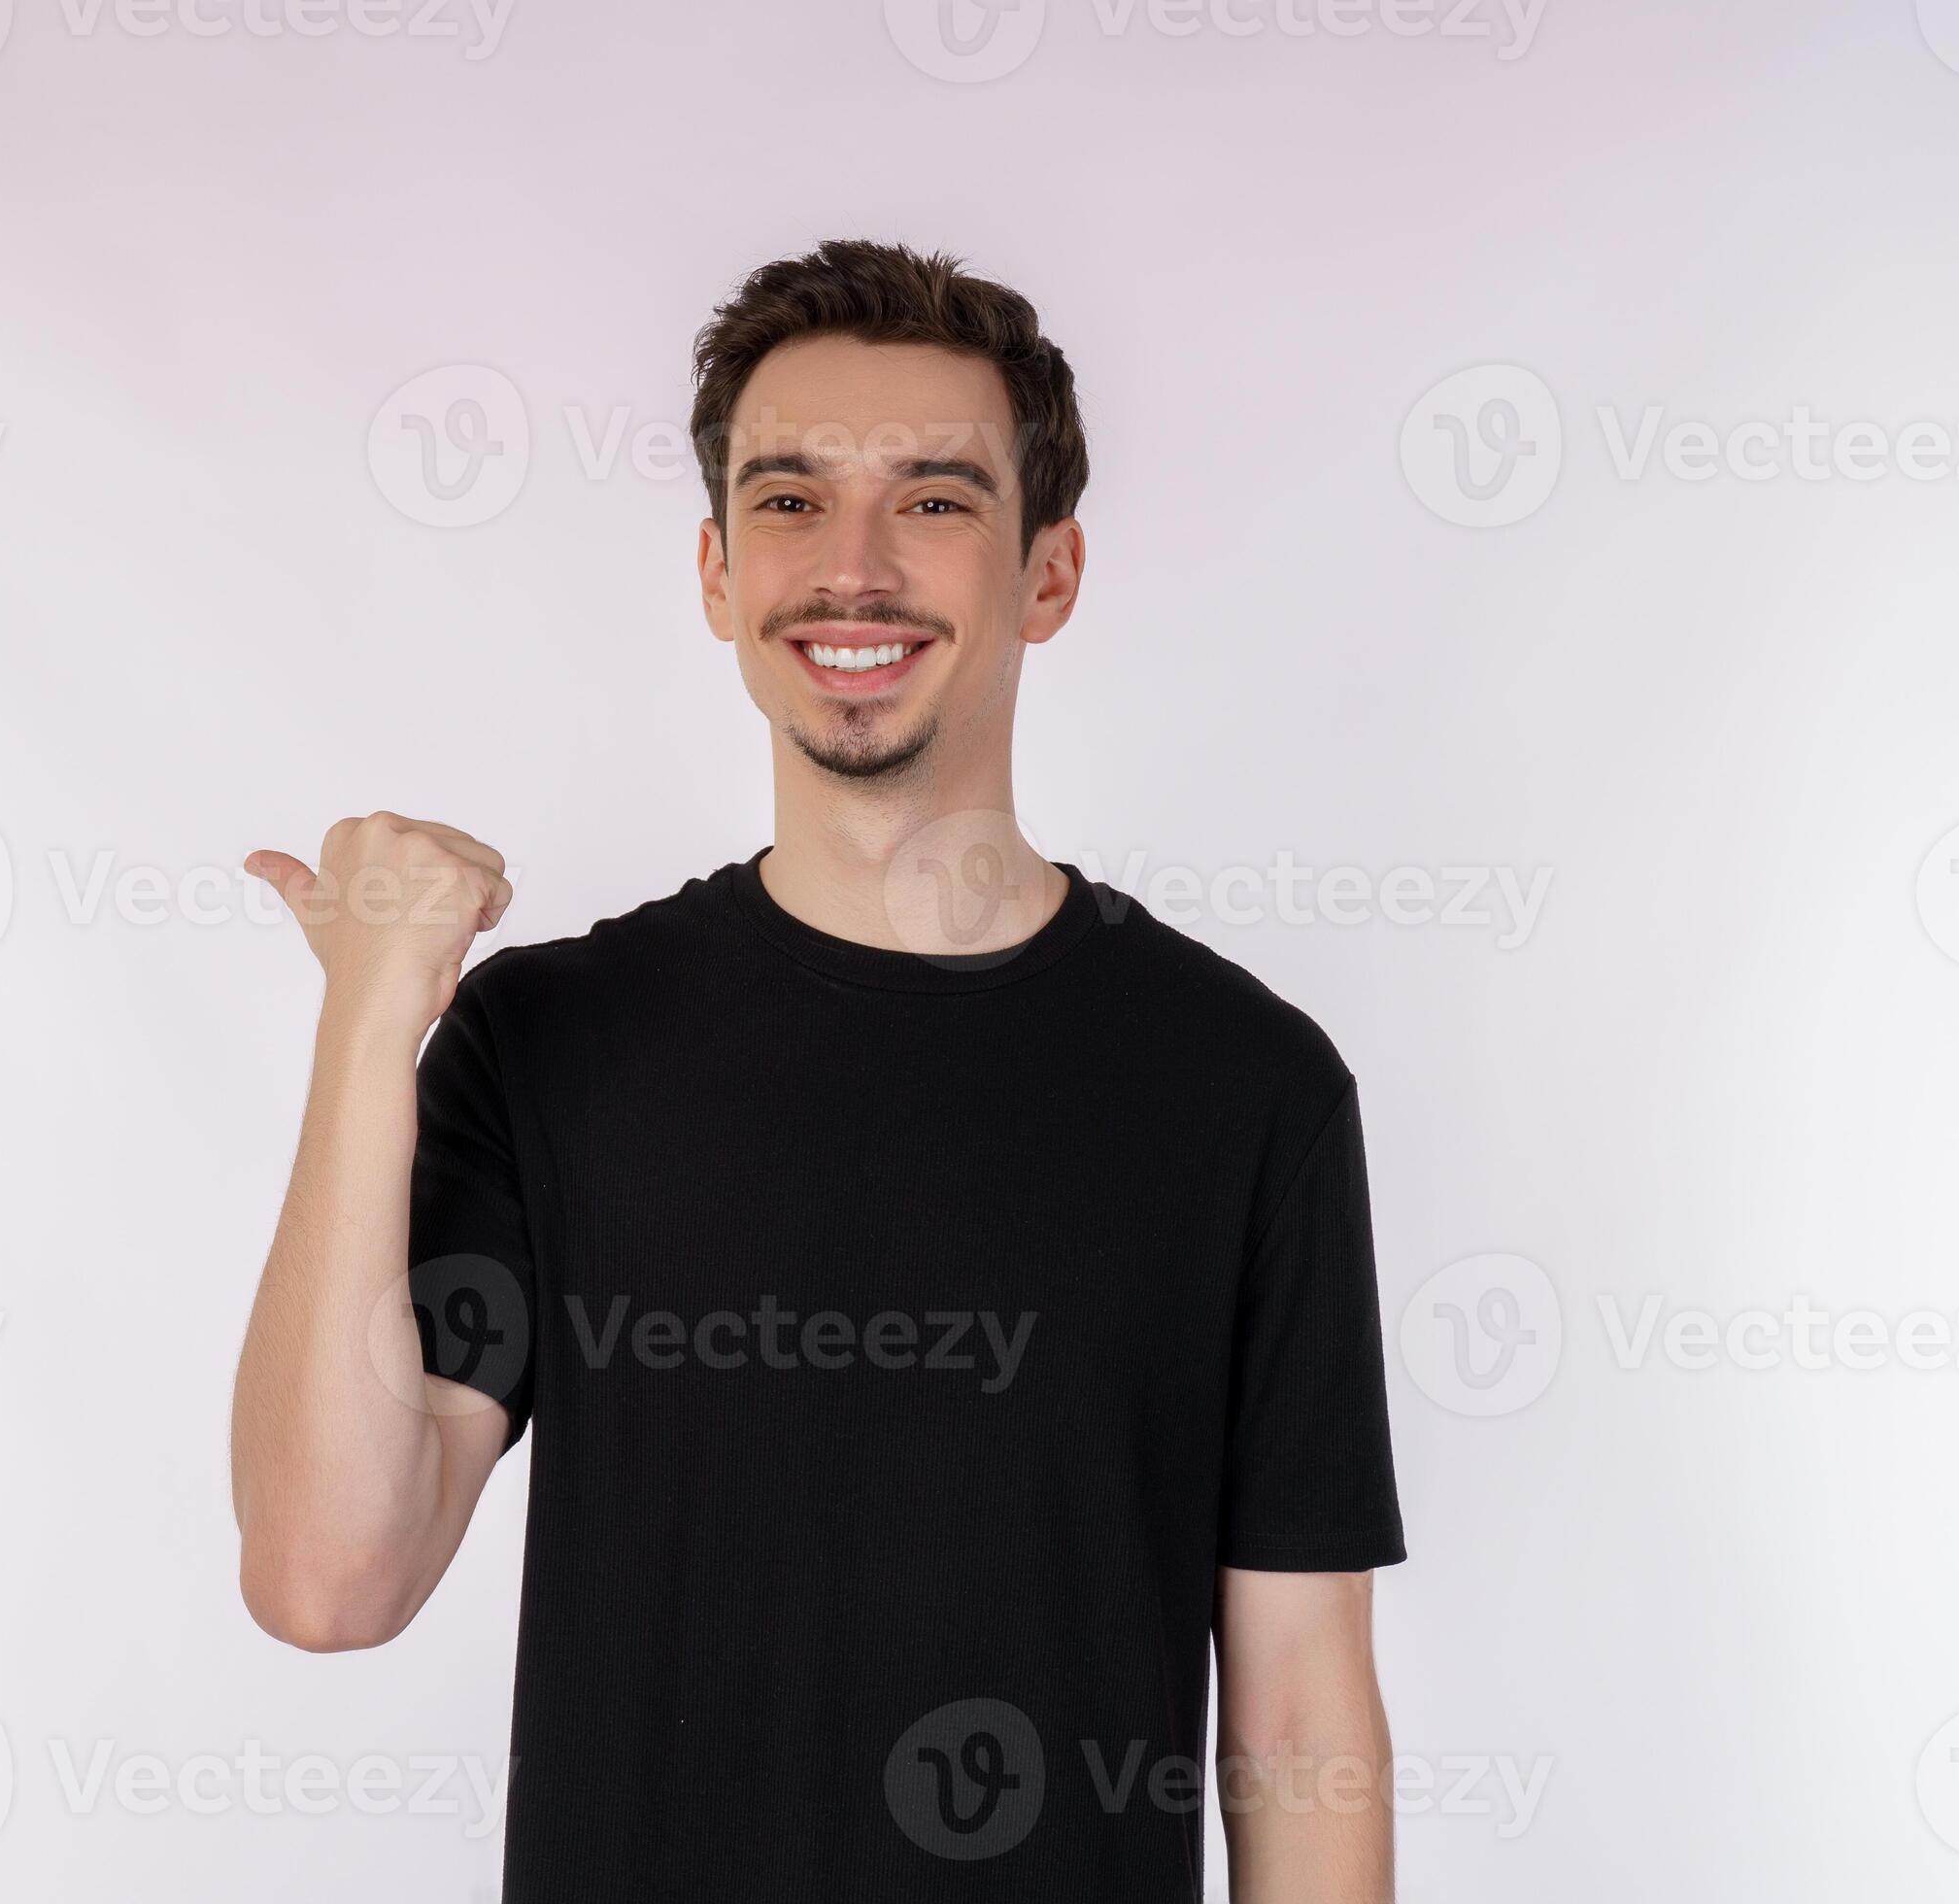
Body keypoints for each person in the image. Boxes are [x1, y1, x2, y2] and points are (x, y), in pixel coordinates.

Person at [229, 237, 1406, 1900]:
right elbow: (324, 1576)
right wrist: (369, 1021)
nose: (851, 568)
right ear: (715, 573)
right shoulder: (550, 1045)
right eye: (789, 501)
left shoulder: (1247, 1087)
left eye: (933, 499)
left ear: (1048, 573)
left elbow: (1297, 1711)